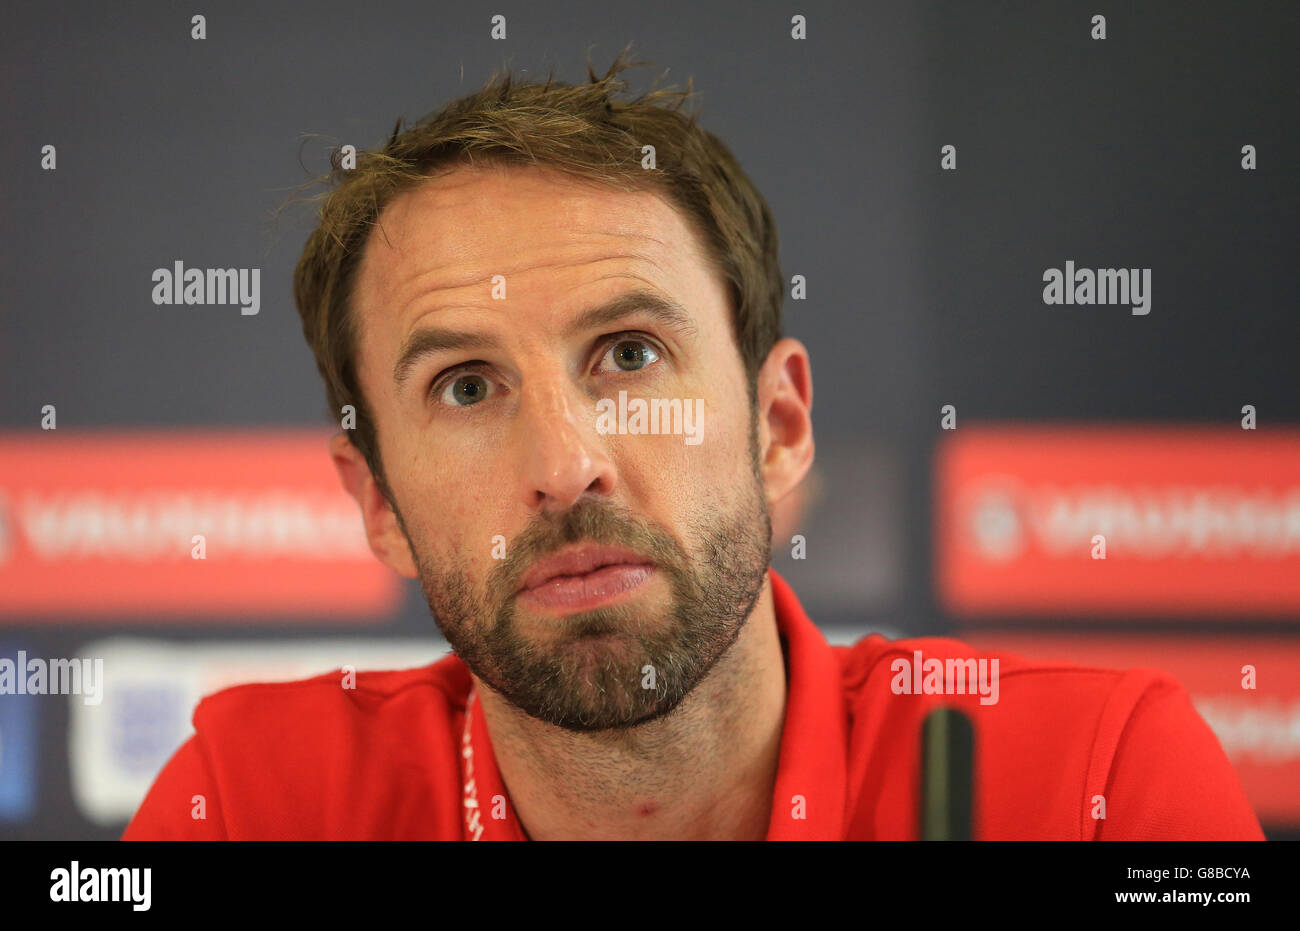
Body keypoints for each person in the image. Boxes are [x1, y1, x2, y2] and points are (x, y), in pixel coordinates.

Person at [122, 48, 1264, 841]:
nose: (566, 465)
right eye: (466, 385)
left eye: (627, 355)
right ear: (376, 503)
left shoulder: (1099, 784)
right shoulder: (250, 804)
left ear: (778, 426)